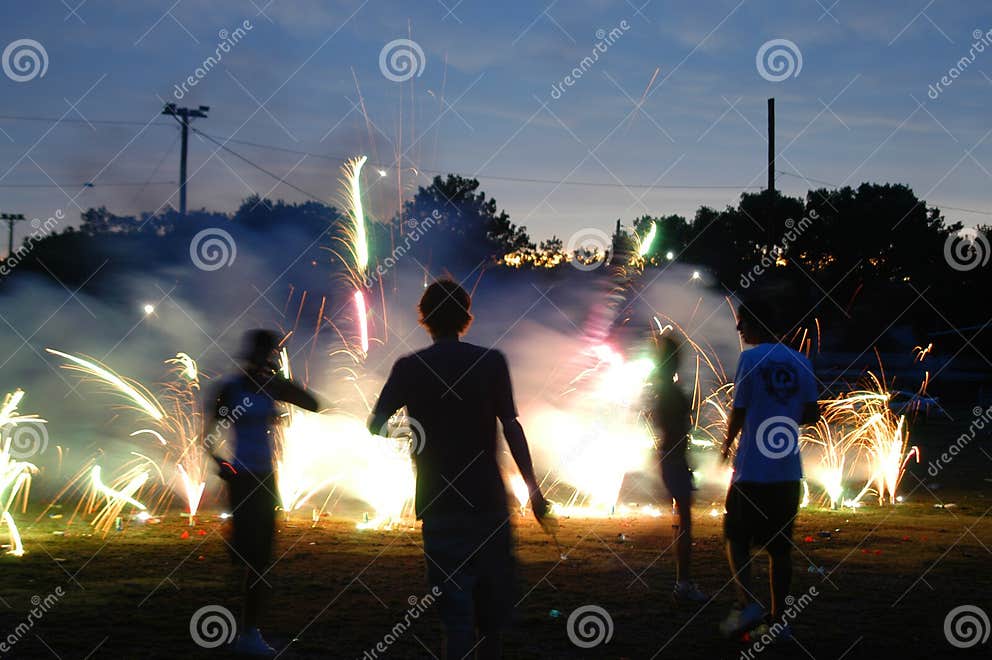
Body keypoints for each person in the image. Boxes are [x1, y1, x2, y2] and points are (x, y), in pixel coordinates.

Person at [367, 279, 555, 660]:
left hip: (439, 503)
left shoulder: (410, 367)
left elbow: (376, 424)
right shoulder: (491, 362)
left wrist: (416, 433)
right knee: (492, 617)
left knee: (455, 617)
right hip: (487, 501)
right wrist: (534, 491)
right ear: (466, 317)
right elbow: (512, 428)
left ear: (425, 319)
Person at [204, 329, 320, 656]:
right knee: (247, 556)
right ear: (255, 353)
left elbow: (314, 404)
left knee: (260, 557)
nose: (267, 359)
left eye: (270, 355)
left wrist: (280, 382)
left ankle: (247, 632)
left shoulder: (270, 386)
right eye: (266, 353)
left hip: (265, 480)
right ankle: (242, 631)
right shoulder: (230, 389)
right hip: (243, 478)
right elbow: (209, 436)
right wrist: (221, 465)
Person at [719, 300, 819, 640]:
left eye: (742, 322)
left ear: (757, 323)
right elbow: (812, 414)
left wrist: (725, 446)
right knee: (780, 548)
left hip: (752, 470)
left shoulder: (749, 359)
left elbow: (740, 411)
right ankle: (780, 621)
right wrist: (783, 415)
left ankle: (747, 603)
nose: (738, 329)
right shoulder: (801, 361)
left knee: (735, 536)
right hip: (787, 471)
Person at [648, 335, 707, 604]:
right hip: (673, 459)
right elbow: (676, 429)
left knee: (683, 520)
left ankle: (683, 581)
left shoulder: (664, 389)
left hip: (671, 458)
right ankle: (683, 583)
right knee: (685, 522)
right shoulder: (670, 392)